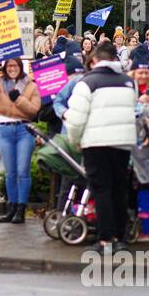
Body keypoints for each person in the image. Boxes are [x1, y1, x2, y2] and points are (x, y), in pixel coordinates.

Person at [63, 40, 138, 251]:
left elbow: (76, 119)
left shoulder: (86, 83)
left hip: (96, 143)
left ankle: (106, 239)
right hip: (123, 142)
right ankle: (120, 237)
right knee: (119, 189)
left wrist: (75, 140)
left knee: (102, 190)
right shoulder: (128, 82)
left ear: (94, 59)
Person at [0, 56, 41, 224]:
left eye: (15, 65)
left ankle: (21, 209)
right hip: (5, 129)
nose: (12, 69)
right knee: (11, 172)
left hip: (24, 129)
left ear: (20, 67)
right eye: (9, 66)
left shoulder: (31, 85)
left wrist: (19, 99)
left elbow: (34, 110)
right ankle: (12, 207)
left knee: (23, 171)